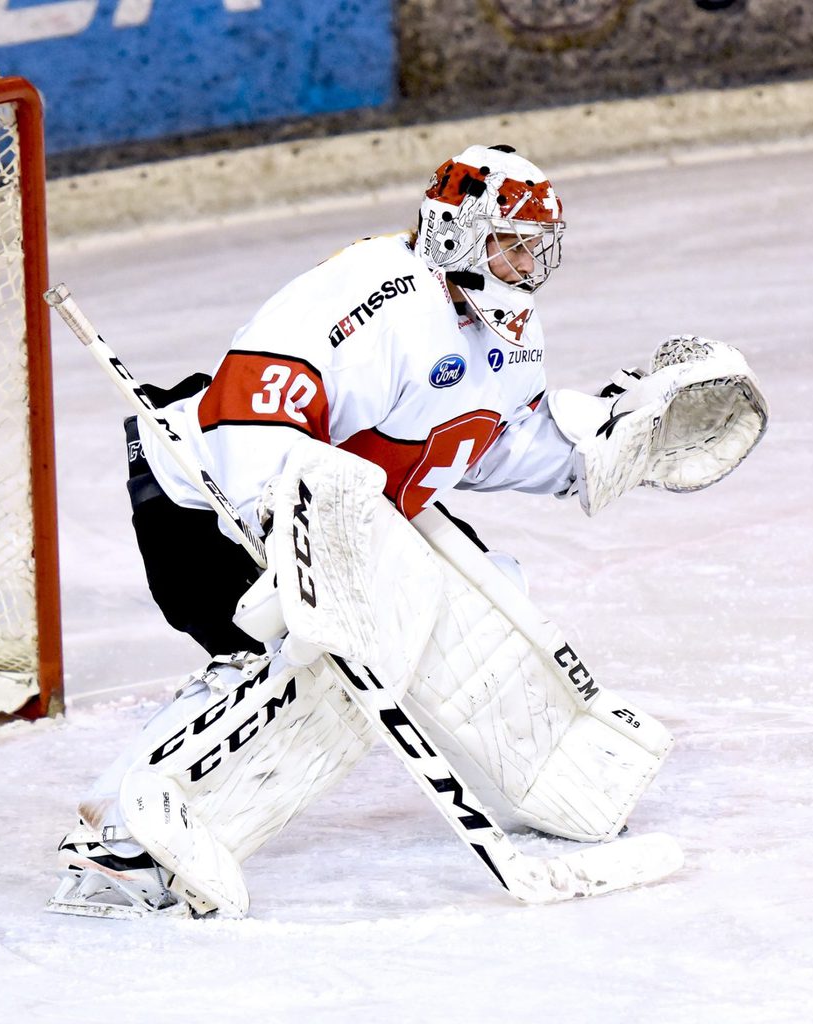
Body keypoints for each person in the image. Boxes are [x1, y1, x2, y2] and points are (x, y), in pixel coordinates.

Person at [47, 144, 765, 918]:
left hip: (353, 504)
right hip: (206, 499)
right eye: (510, 241)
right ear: (456, 232)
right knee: (305, 656)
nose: (526, 262)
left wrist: (612, 443)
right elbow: (246, 411)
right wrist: (298, 543)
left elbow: (484, 444)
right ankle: (120, 842)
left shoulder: (509, 328)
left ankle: (555, 780)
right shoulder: (371, 297)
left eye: (534, 245)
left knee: (487, 604)